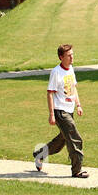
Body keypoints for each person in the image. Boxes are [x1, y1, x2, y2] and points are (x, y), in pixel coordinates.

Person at [34, 44, 89, 178]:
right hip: (60, 111)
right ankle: (77, 170)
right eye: (68, 55)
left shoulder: (70, 69)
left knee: (63, 140)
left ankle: (40, 154)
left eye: (72, 54)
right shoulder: (56, 72)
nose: (72, 58)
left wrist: (78, 105)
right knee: (75, 139)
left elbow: (73, 88)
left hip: (69, 110)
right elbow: (50, 93)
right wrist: (52, 114)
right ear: (61, 57)